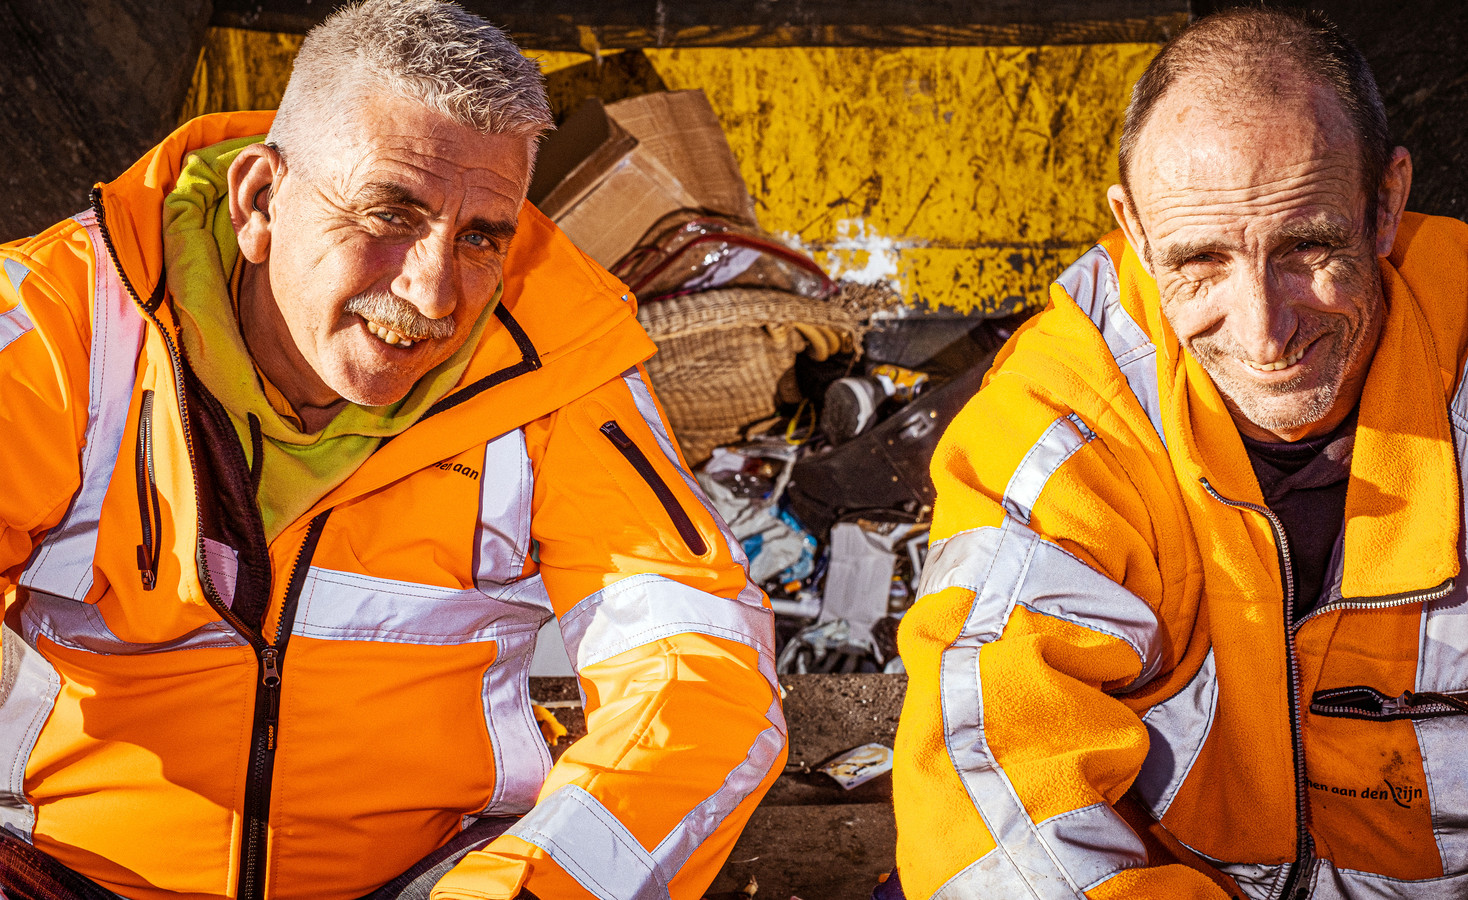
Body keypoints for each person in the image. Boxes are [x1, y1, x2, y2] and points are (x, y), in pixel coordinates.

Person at [0, 1, 786, 898]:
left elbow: (698, 661)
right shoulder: (62, 325)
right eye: (389, 212)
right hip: (58, 872)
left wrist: (525, 888)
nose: (434, 290)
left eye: (482, 236)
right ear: (259, 200)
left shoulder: (554, 367)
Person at [891, 7, 1468, 899]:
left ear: (1386, 204)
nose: (1264, 332)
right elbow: (992, 781)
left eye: (1307, 249)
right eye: (1198, 262)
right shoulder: (1064, 421)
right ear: (1132, 225)